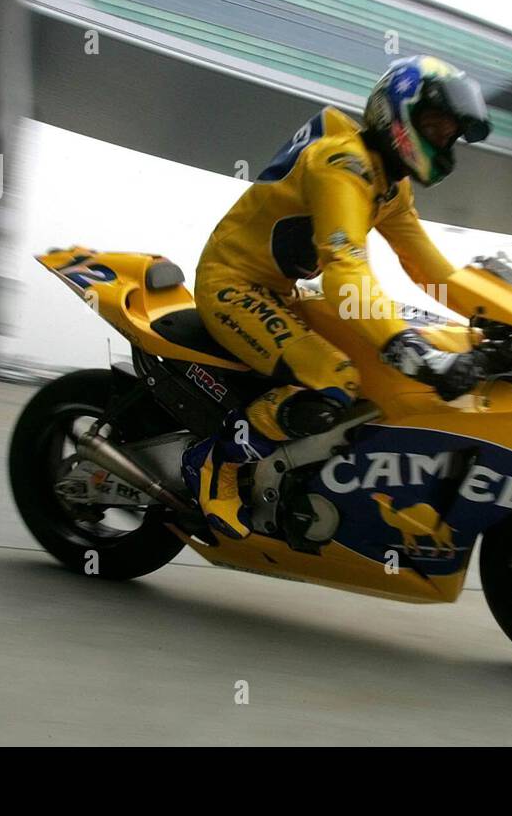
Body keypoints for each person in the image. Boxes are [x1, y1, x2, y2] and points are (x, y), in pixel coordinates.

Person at [187, 55, 492, 538]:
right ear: (399, 113)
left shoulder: (389, 187)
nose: (442, 141)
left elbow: (431, 271)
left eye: (448, 134)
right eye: (434, 126)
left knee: (370, 365)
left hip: (278, 294)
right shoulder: (339, 162)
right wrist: (408, 346)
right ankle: (215, 466)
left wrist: (498, 318)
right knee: (335, 377)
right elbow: (345, 267)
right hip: (232, 285)